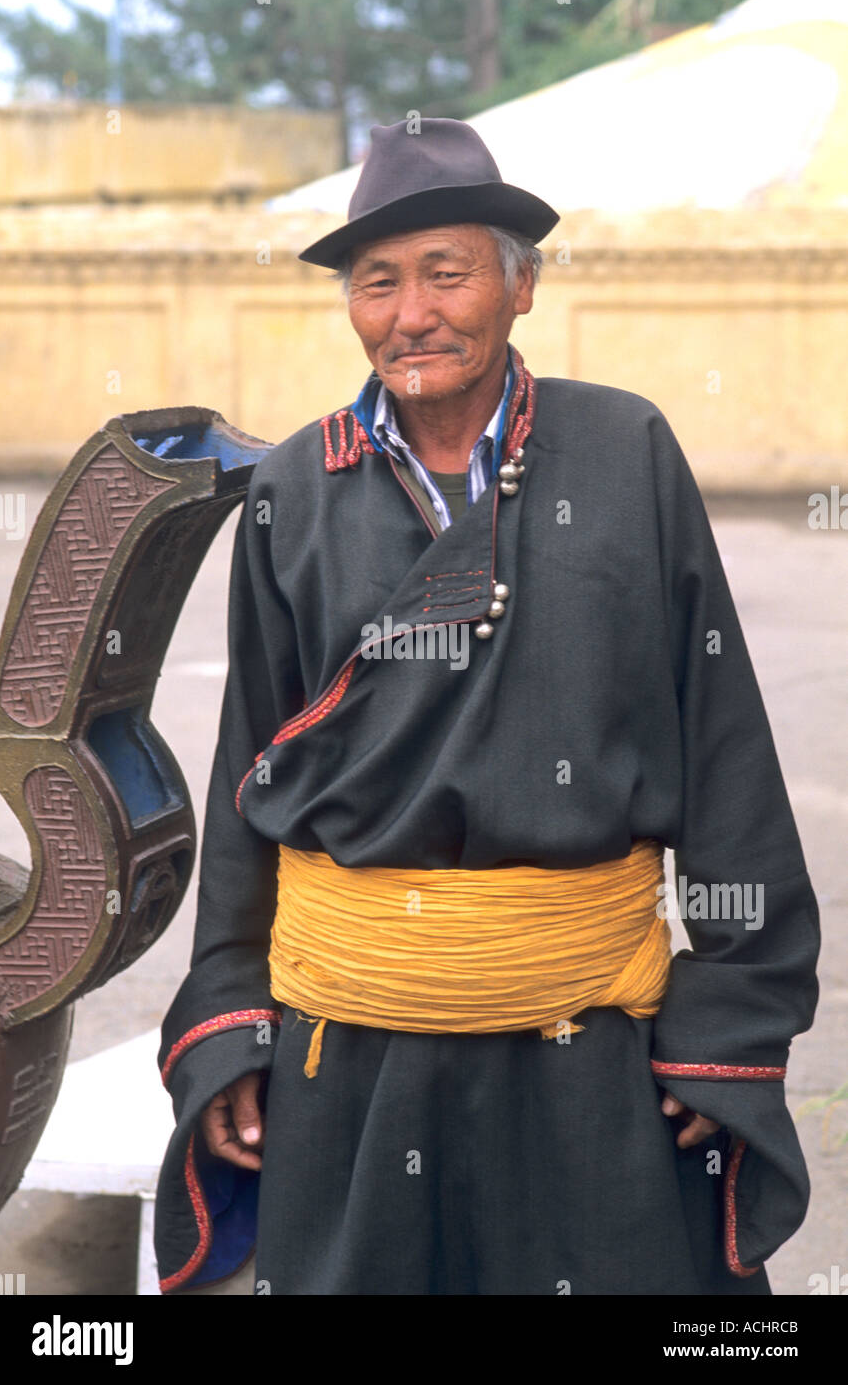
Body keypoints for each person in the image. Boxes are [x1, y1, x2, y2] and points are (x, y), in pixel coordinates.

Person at [154, 118, 819, 1296]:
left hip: (585, 1048)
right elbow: (247, 769)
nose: (411, 314)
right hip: (346, 1047)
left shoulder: (623, 450)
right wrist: (228, 1016)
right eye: (376, 282)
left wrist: (728, 1013)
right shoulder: (296, 490)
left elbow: (721, 740)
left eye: (445, 272)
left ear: (521, 282)